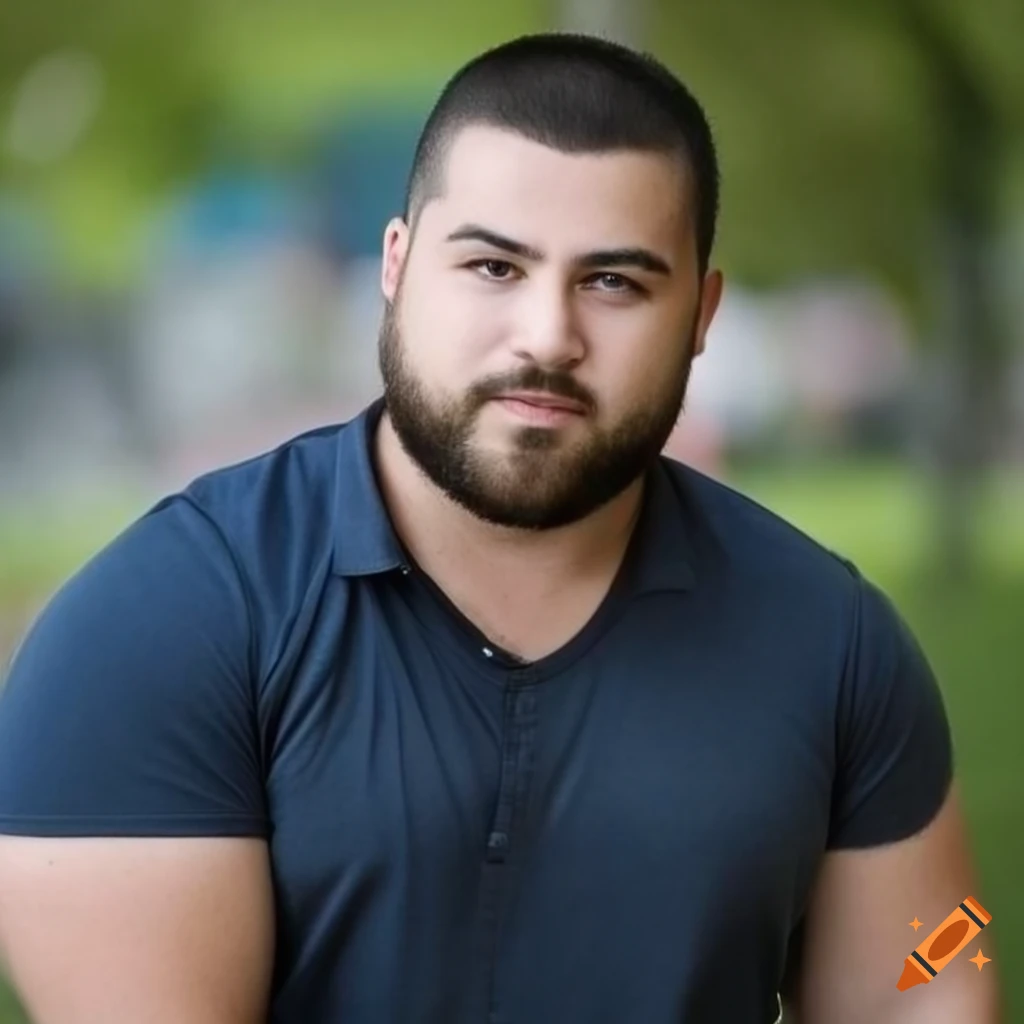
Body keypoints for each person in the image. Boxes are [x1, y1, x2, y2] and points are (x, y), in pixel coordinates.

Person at [0, 32, 1001, 1024]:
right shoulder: (157, 626)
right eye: (492, 266)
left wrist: (933, 955)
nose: (546, 336)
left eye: (613, 281)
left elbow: (935, 964)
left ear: (701, 314)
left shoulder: (833, 642)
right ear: (396, 267)